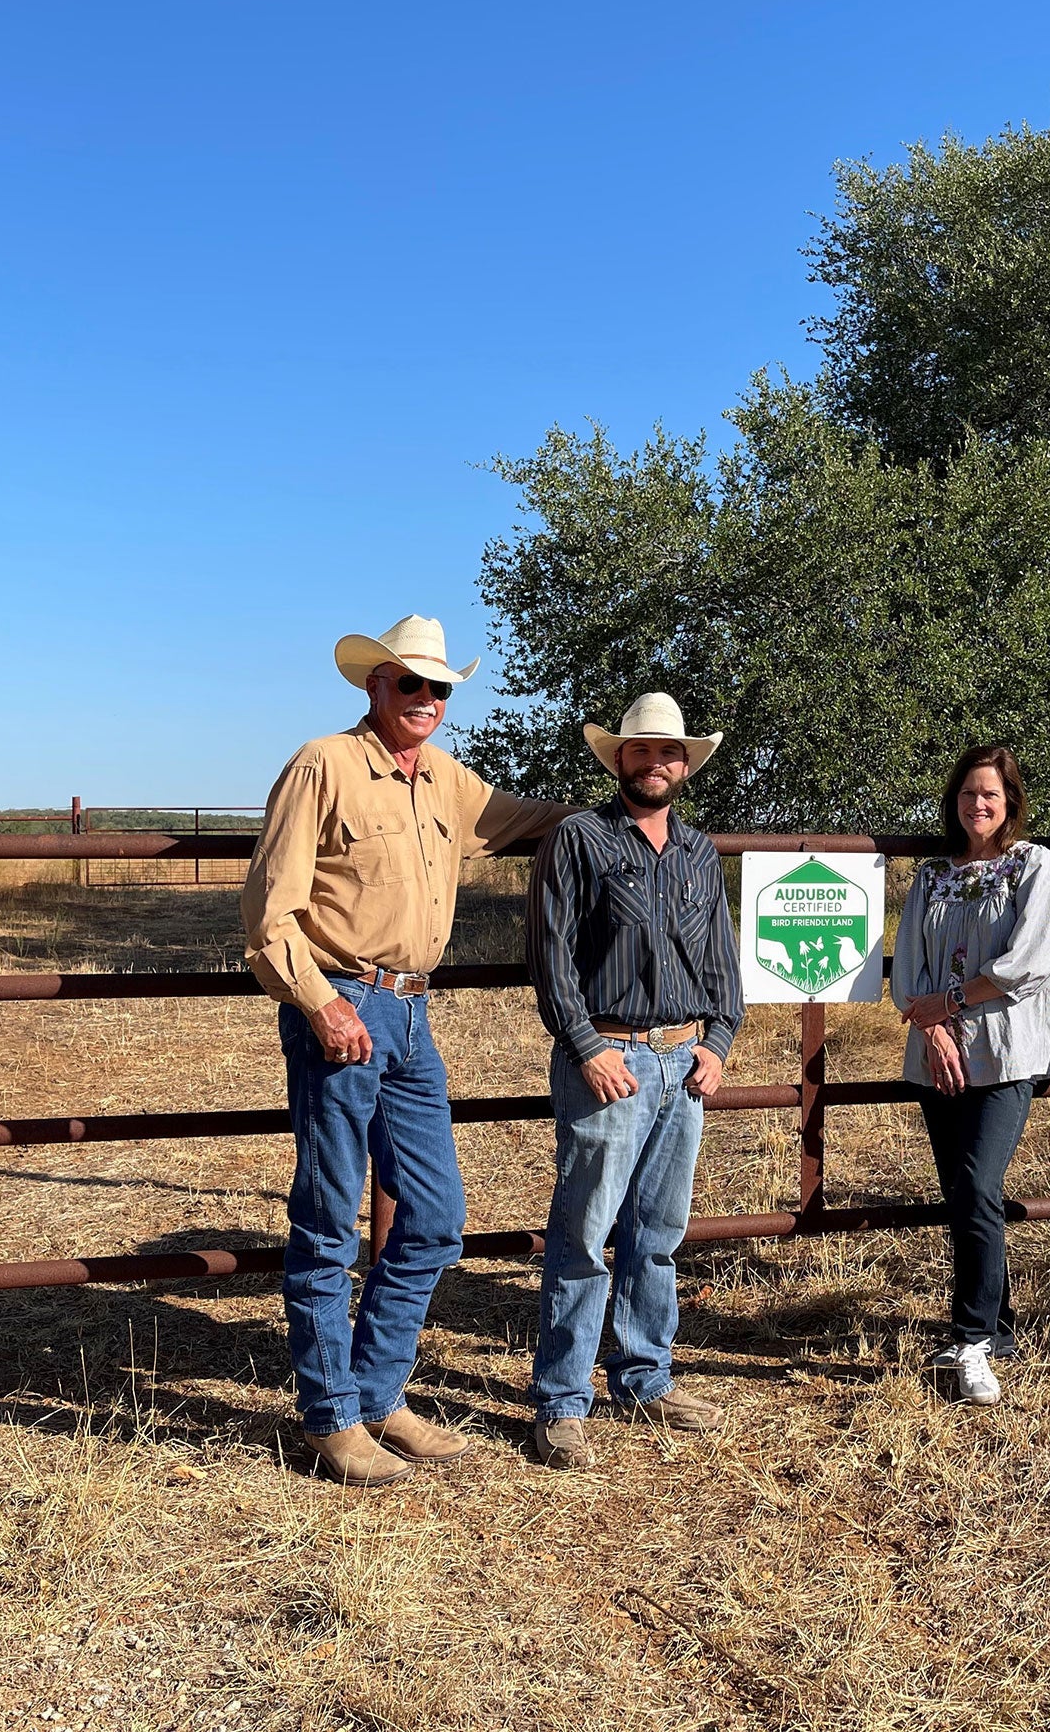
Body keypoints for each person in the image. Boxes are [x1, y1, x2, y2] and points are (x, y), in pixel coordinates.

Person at [243, 614, 575, 1487]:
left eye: (440, 688)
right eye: (411, 684)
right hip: (345, 1004)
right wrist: (319, 1004)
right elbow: (268, 913)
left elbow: (530, 819)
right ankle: (329, 1416)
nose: (427, 699)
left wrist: (628, 802)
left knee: (432, 1217)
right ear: (374, 687)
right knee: (326, 1219)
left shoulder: (446, 783)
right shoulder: (325, 765)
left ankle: (379, 1390)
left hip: (413, 1014)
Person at [525, 693, 744, 1471]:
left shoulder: (697, 850)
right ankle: (561, 1400)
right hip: (609, 1060)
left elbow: (721, 959)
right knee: (584, 1234)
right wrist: (586, 1046)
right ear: (618, 758)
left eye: (671, 752)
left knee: (658, 1235)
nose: (657, 763)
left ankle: (645, 1376)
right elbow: (551, 957)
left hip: (683, 1062)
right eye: (643, 750)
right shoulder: (579, 840)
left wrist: (718, 1041)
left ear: (686, 765)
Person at [893, 745, 1050, 1408]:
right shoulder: (932, 875)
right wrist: (930, 1025)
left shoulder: (1033, 867)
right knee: (966, 1194)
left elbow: (1034, 960)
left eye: (990, 794)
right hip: (938, 1053)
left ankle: (969, 1339)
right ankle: (999, 1326)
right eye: (968, 794)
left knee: (977, 1184)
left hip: (1006, 1052)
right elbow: (907, 968)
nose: (979, 805)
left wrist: (954, 1002)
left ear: (1011, 800)